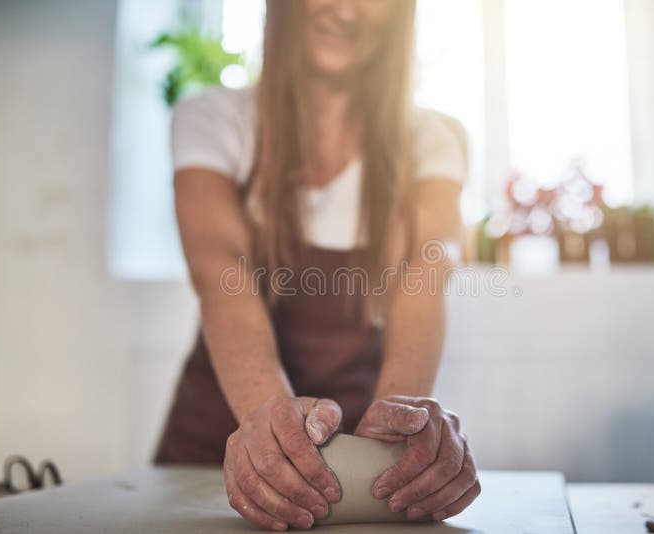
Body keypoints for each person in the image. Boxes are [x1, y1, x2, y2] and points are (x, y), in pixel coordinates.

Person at [155, 0, 480, 530]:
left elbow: (426, 271)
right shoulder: (213, 118)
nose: (346, 9)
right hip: (211, 447)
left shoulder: (434, 137)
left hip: (356, 452)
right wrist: (273, 438)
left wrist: (399, 430)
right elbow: (222, 273)